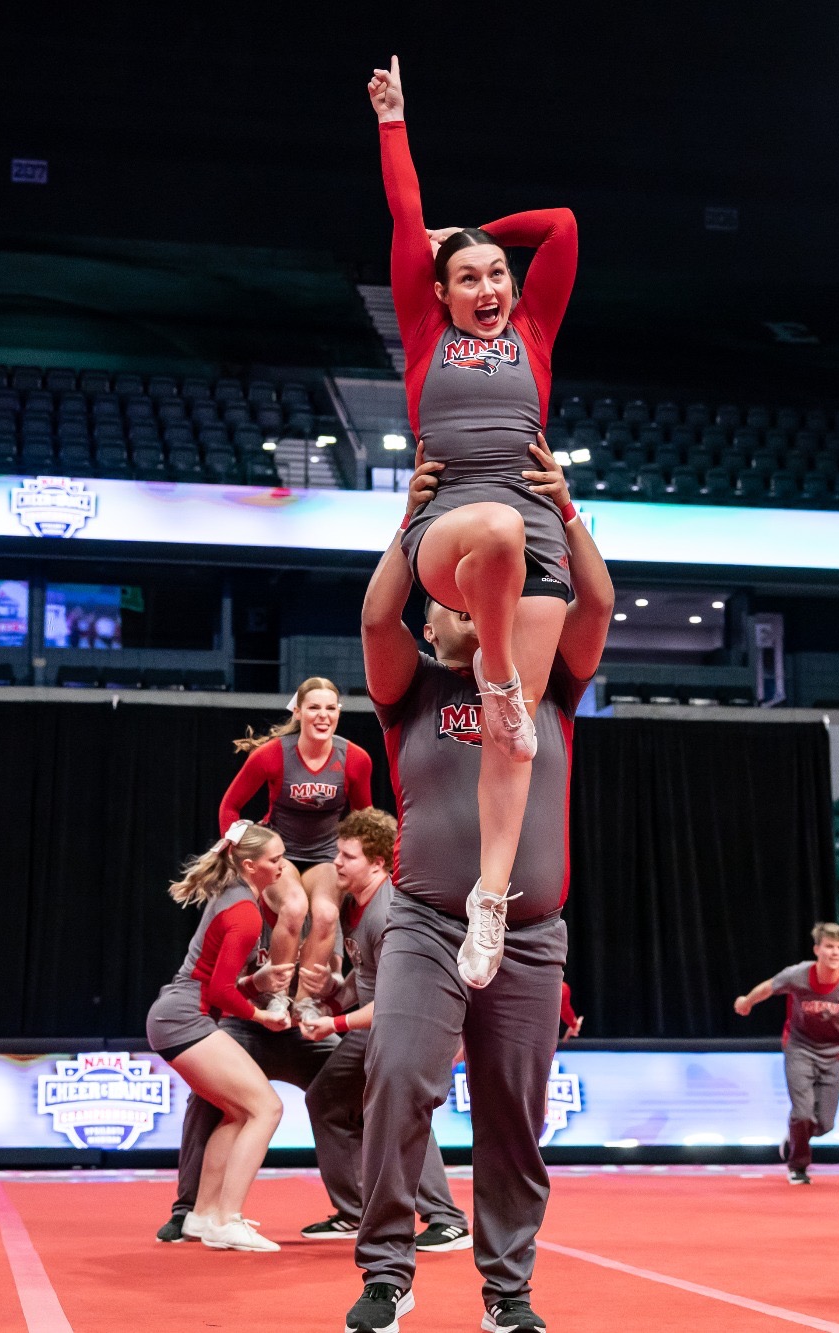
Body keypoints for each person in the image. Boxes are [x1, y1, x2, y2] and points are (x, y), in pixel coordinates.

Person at [345, 439, 610, 1333]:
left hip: (531, 933)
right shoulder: (407, 692)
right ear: (438, 621)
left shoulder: (546, 690)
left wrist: (567, 511)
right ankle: (388, 1268)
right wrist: (409, 525)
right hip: (423, 923)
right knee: (398, 1078)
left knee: (513, 1115)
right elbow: (376, 620)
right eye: (453, 593)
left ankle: (508, 1291)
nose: (472, 596)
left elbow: (598, 601)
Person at [369, 55, 580, 979]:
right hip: (448, 522)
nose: (490, 285)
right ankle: (496, 674)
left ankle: (489, 899)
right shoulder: (426, 335)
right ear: (442, 293)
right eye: (471, 276)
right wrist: (393, 122)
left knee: (512, 741)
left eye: (499, 273)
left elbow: (563, 226)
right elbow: (406, 220)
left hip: (541, 535)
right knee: (492, 535)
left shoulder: (533, 331)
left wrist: (481, 226)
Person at [292, 808, 471, 1252]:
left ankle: (447, 1219)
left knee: (403, 1107)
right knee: (329, 1100)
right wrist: (335, 996)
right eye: (337, 853)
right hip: (379, 1025)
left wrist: (332, 1021)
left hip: (408, 1022)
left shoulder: (389, 911)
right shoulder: (358, 904)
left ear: (376, 863)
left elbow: (394, 999)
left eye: (347, 856)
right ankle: (355, 1211)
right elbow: (368, 975)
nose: (335, 863)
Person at [143, 821, 293, 1253]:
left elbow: (217, 980)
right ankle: (228, 1218)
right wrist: (263, 1016)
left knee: (238, 1112)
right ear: (250, 865)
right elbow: (219, 990)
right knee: (267, 1108)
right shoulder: (245, 912)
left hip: (178, 1012)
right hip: (184, 1017)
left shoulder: (232, 896)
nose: (283, 867)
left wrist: (256, 981)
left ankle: (204, 1214)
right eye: (275, 860)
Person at [219, 677, 375, 1022]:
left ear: (339, 713)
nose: (323, 716)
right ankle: (275, 994)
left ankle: (305, 1000)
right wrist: (235, 848)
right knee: (293, 907)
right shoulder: (273, 756)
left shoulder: (355, 760)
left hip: (324, 859)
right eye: (314, 708)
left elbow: (365, 821)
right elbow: (230, 806)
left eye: (330, 708)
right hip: (281, 855)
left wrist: (371, 867)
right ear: (300, 712)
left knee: (326, 914)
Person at [733, 923, 839, 1185]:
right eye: (829, 947)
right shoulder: (797, 974)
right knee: (803, 1114)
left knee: (824, 1124)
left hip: (833, 1053)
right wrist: (747, 1001)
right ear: (817, 950)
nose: (834, 953)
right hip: (799, 1047)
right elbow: (769, 987)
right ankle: (798, 1166)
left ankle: (795, 1135)